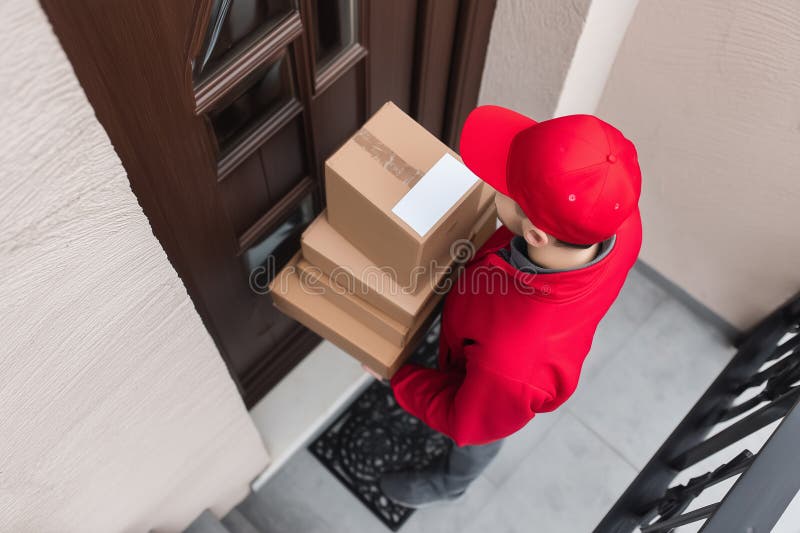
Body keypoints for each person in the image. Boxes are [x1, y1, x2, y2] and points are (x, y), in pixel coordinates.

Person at [367, 105, 643, 507]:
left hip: (495, 394)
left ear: (534, 234)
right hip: (493, 329)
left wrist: (395, 376)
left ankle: (450, 484)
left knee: (478, 439)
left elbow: (465, 420)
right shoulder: (619, 219)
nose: (491, 183)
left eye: (504, 186)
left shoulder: (514, 366)